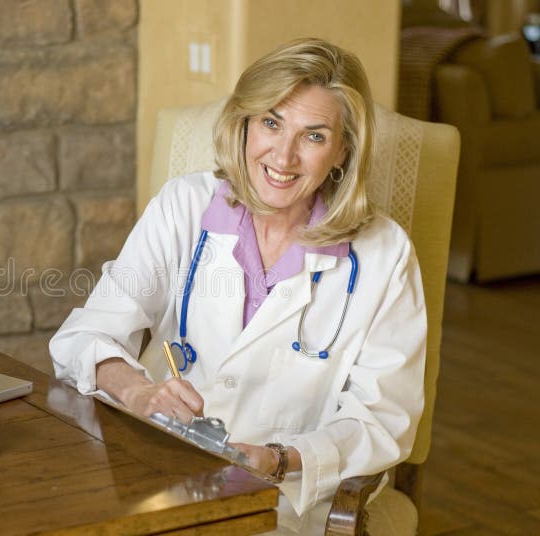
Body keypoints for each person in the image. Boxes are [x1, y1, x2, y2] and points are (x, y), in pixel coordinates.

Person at [50, 38, 426, 534]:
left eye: (313, 136)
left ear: (341, 153)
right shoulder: (183, 207)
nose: (284, 155)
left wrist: (277, 460)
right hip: (160, 480)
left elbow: (383, 422)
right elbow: (84, 338)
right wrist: (140, 393)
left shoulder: (384, 254)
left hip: (281, 503)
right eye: (271, 122)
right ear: (245, 124)